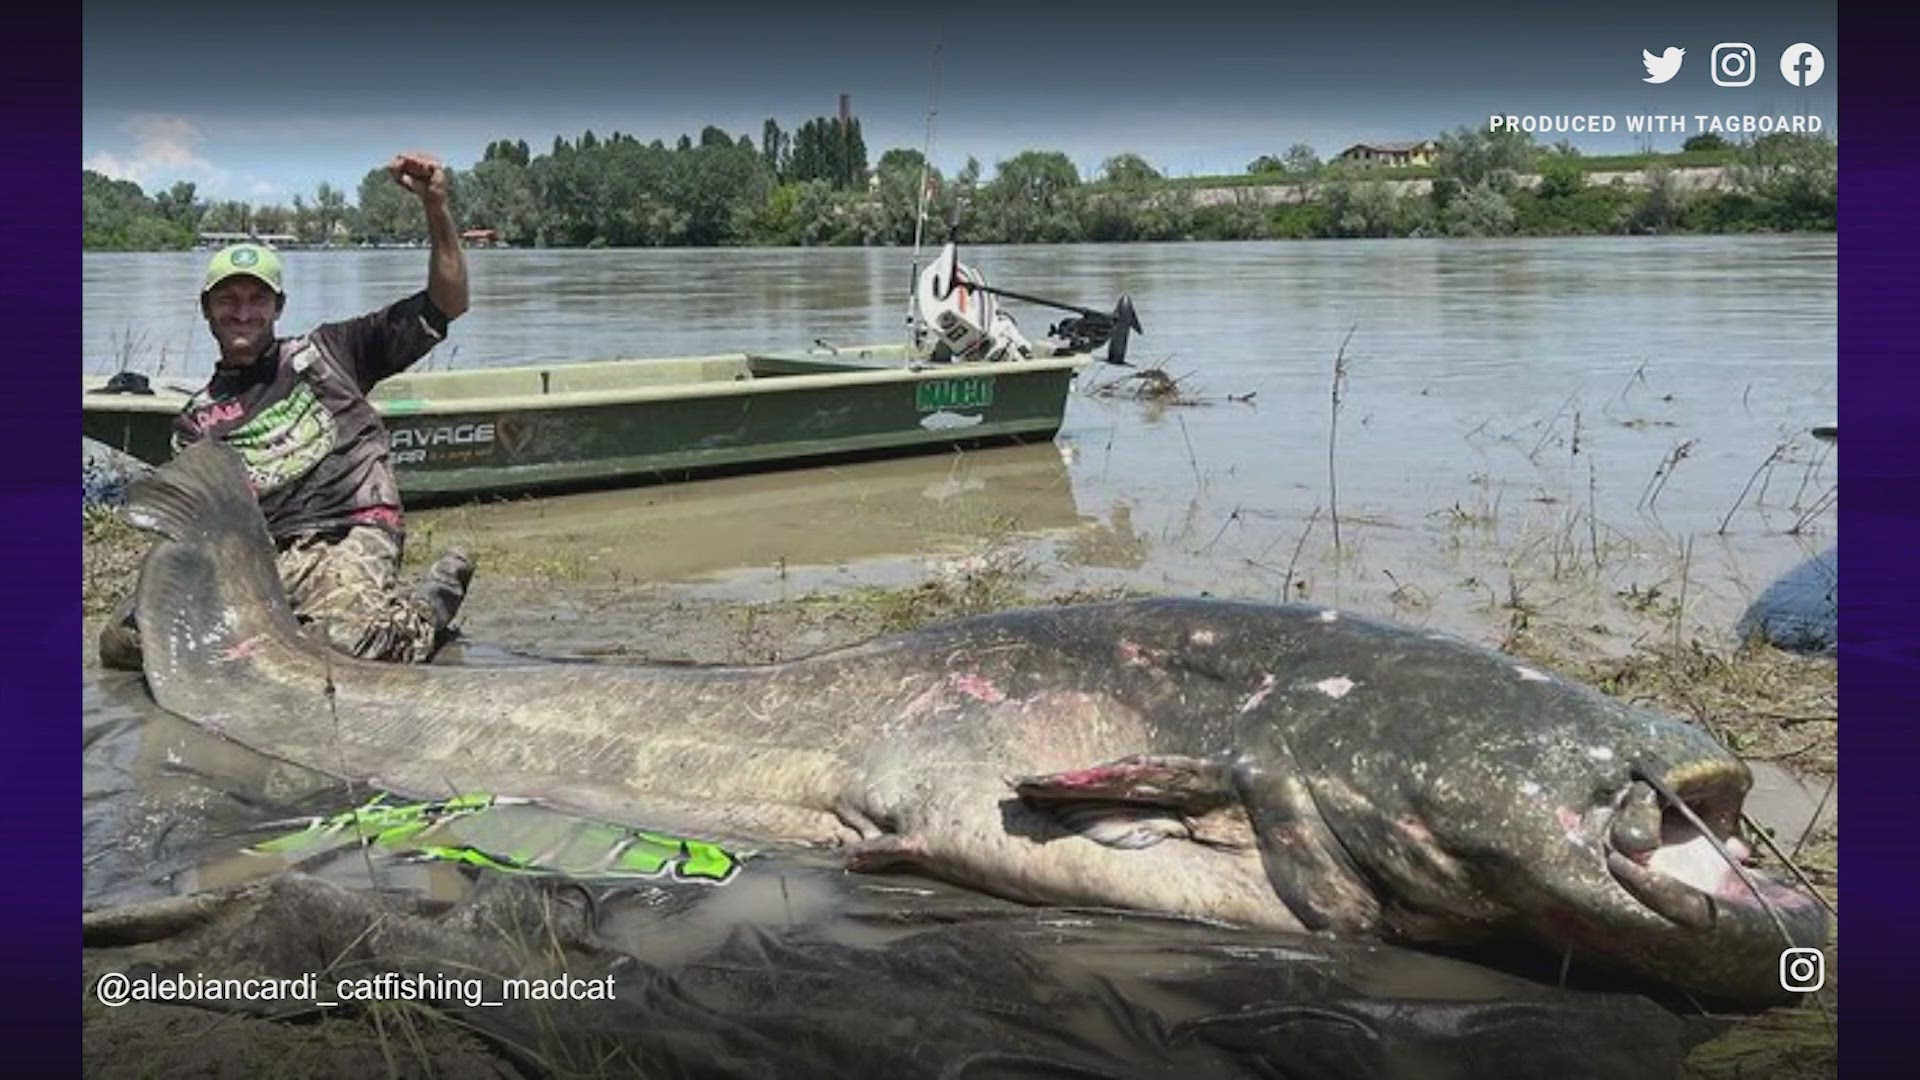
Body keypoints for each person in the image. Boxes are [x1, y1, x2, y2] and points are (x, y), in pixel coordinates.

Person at [102, 151, 475, 668]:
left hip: (350, 530)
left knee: (347, 648)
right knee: (129, 642)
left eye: (257, 300)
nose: (243, 312)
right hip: (262, 557)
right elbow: (203, 527)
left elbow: (447, 303)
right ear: (206, 309)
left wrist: (436, 207)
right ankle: (295, 623)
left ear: (278, 308)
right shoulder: (195, 422)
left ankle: (429, 607)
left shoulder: (332, 352)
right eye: (228, 299)